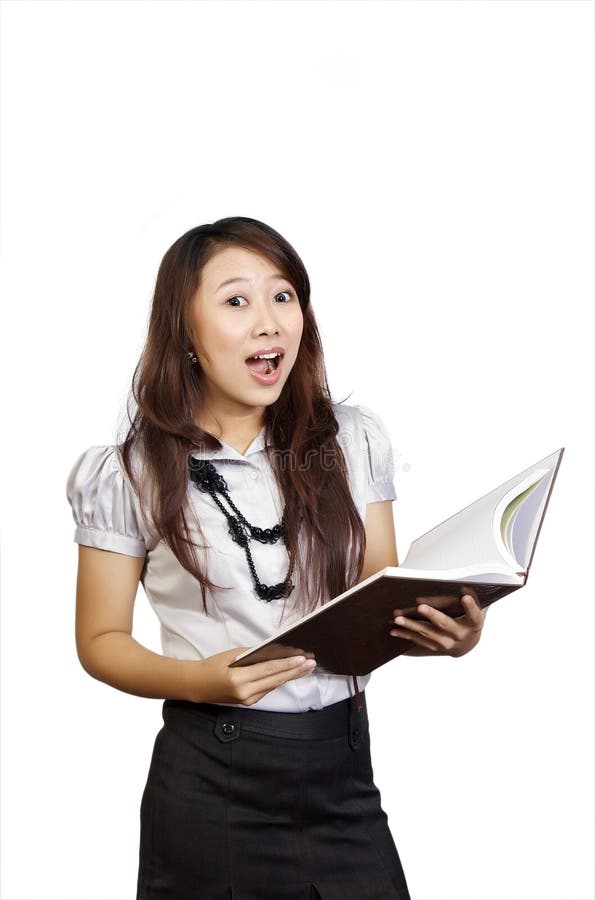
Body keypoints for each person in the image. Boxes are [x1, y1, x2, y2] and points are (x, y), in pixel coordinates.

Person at [66, 216, 488, 900]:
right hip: (212, 779)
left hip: (343, 766)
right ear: (185, 331)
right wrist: (200, 681)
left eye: (282, 296)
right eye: (236, 301)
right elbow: (99, 641)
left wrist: (445, 632)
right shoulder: (130, 473)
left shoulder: (347, 442)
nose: (268, 323)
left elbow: (376, 590)